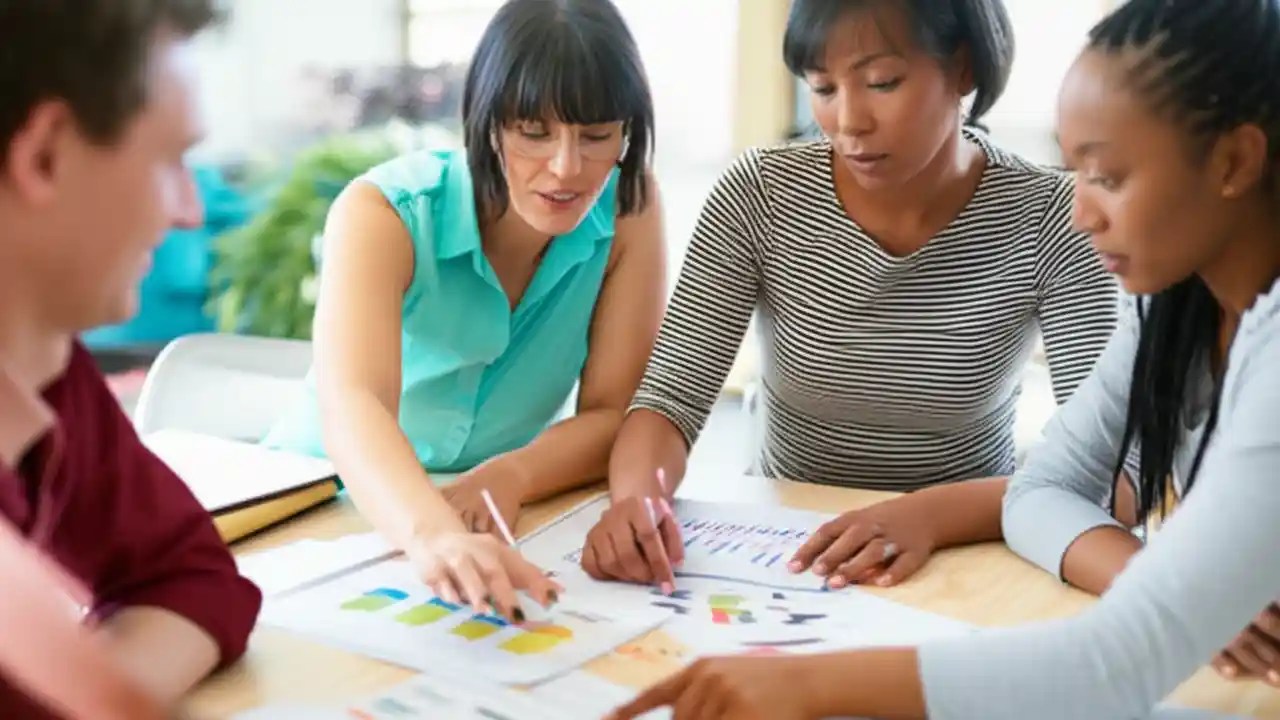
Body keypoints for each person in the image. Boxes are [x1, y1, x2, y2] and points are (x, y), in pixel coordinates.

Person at [607, 0, 1280, 717]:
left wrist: (804, 683)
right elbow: (1044, 490)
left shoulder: (1088, 241)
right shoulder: (1172, 305)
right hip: (808, 558)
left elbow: (1113, 649)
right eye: (823, 86)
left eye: (1108, 177)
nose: (847, 121)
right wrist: (1174, 590)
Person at [582, 0, 1119, 590]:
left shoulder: (1050, 218)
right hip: (787, 556)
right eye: (823, 88)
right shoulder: (760, 193)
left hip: (971, 552)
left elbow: (1105, 467)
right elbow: (669, 399)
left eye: (882, 82)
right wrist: (638, 502)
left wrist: (929, 516)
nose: (848, 121)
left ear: (964, 68)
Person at [263, 0, 665, 620]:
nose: (567, 166)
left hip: (488, 511)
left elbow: (615, 413)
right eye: (534, 132)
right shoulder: (382, 213)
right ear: (487, 124)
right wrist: (433, 534)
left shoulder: (629, 206)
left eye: (595, 135)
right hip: (323, 508)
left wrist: (516, 474)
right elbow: (353, 406)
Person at [0, 0, 263, 717]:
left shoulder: (45, 371)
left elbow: (191, 575)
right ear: (45, 154)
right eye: (170, 159)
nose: (190, 210)